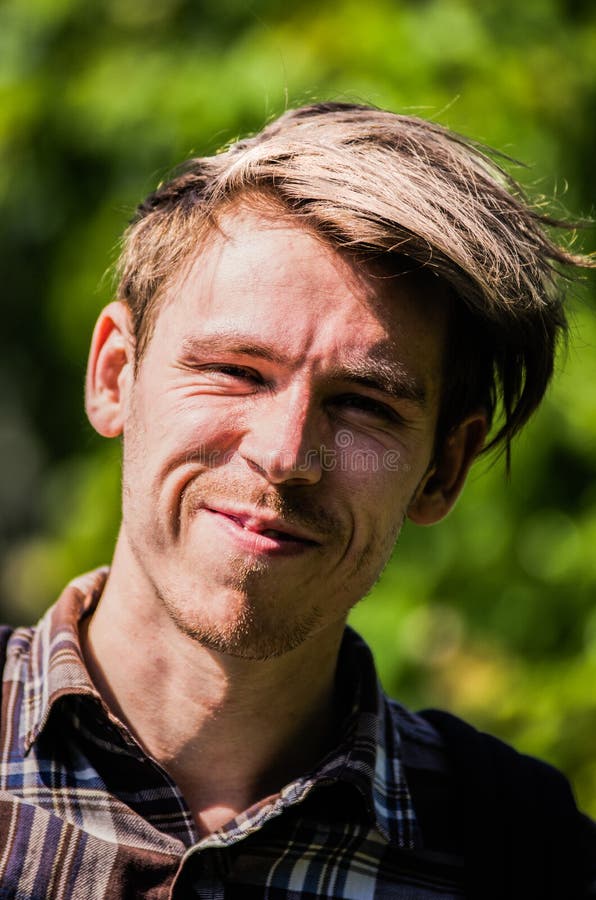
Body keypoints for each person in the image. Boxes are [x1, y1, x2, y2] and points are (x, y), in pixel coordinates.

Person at [0, 102, 594, 899]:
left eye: (364, 405)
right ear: (115, 375)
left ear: (444, 470)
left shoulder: (529, 858)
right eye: (237, 372)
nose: (285, 457)